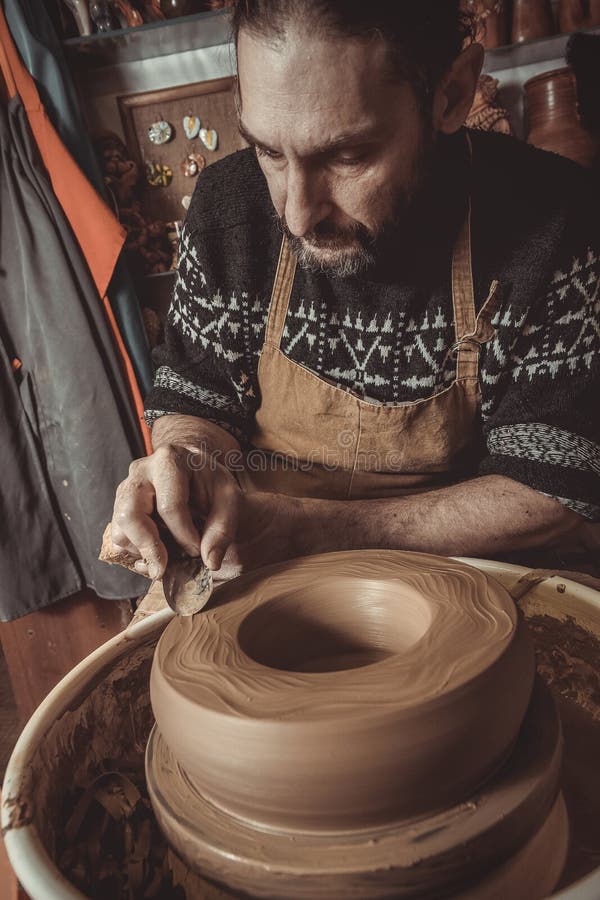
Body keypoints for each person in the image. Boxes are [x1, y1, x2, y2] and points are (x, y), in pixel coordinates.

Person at [111, 1, 599, 582]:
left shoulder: (555, 218)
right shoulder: (228, 206)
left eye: (346, 156)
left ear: (451, 94)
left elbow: (556, 489)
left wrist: (308, 530)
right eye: (268, 152)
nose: (296, 215)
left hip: (474, 573)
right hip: (262, 559)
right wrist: (189, 463)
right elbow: (199, 398)